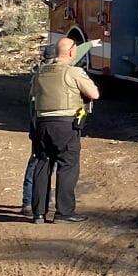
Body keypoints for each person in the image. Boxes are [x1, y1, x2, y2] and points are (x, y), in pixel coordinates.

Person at [28, 35, 98, 223]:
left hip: (41, 124)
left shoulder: (40, 72)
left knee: (42, 165)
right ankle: (64, 212)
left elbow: (33, 95)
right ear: (71, 52)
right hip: (66, 125)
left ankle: (38, 213)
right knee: (68, 166)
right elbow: (94, 94)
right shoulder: (73, 72)